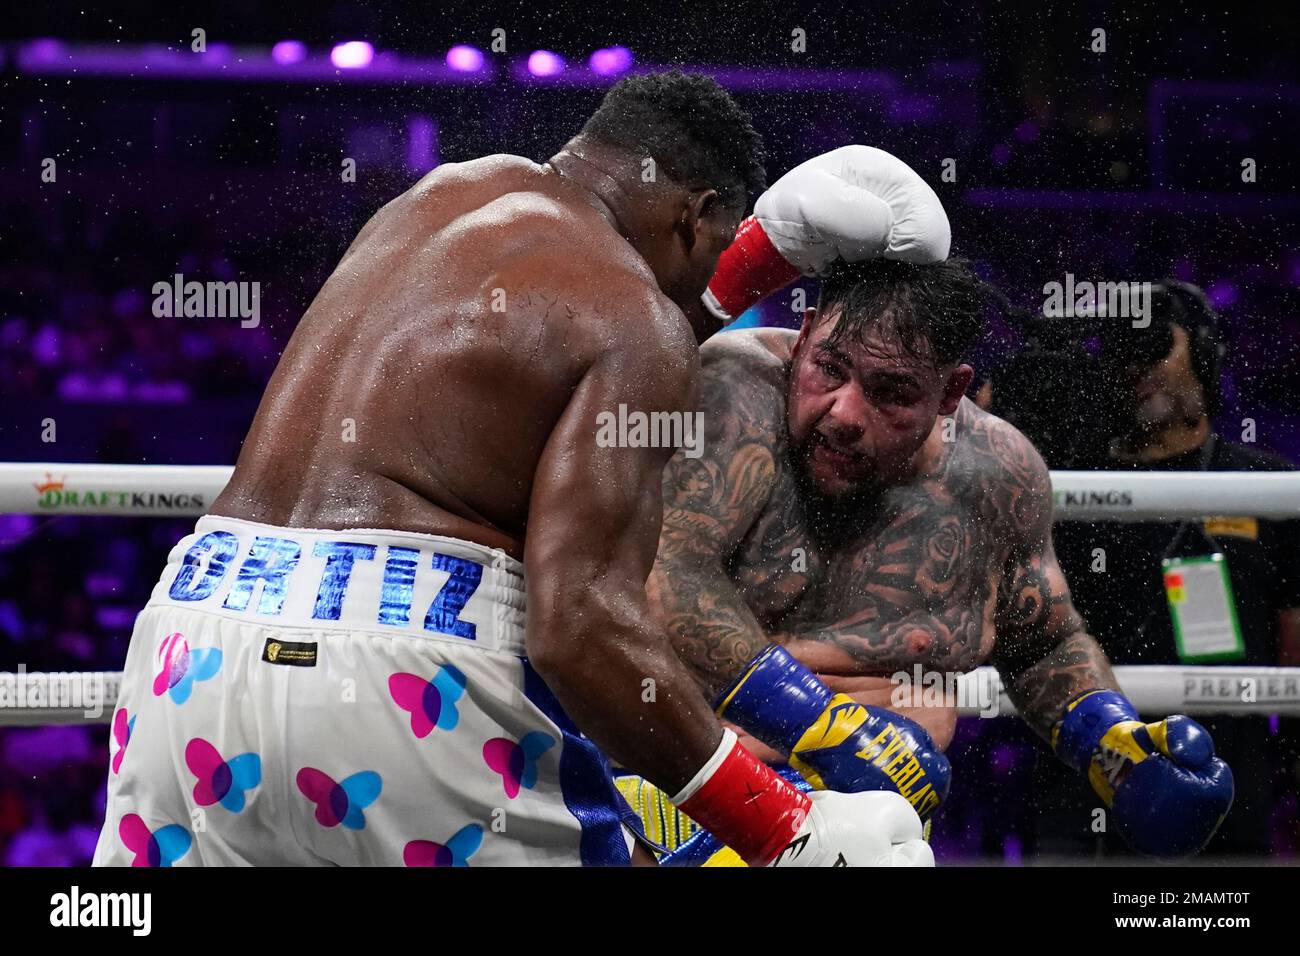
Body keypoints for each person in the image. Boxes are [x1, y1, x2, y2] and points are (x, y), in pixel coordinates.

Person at [92, 71, 942, 867]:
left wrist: (758, 253)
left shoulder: (432, 202)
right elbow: (577, 627)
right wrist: (783, 828)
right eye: (720, 246)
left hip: (191, 645)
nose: (714, 282)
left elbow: (571, 322)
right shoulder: (635, 318)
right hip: (407, 676)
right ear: (698, 214)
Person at [626, 258, 1233, 865]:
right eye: (829, 369)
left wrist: (1112, 744)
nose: (842, 412)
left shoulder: (996, 476)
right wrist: (822, 724)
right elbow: (667, 573)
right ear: (805, 334)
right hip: (675, 789)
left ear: (949, 392)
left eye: (890, 392)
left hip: (870, 830)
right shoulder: (736, 392)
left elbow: (1042, 643)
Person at [1023, 280, 1300, 859]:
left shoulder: (1267, 488)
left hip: (1226, 787)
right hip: (1080, 785)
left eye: (1152, 345)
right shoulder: (1063, 484)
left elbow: (1294, 646)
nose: (1136, 366)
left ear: (1201, 356)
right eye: (1122, 349)